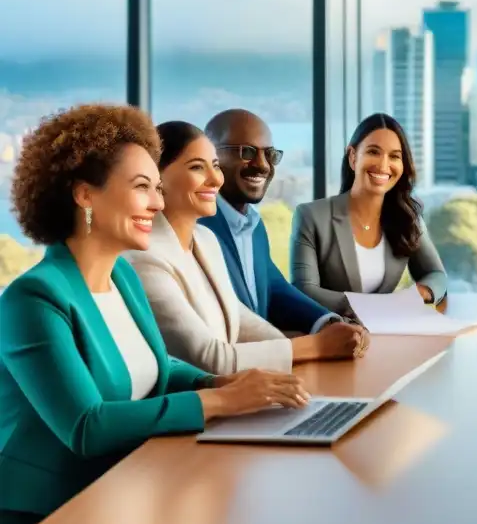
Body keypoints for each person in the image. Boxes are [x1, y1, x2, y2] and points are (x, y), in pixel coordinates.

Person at [0, 105, 309, 524]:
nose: (159, 204)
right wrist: (220, 400)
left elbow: (159, 368)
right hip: (49, 519)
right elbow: (87, 426)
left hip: (124, 487)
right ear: (85, 194)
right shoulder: (32, 299)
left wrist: (224, 381)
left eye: (158, 189)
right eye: (142, 187)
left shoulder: (122, 277)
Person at [126, 122, 367, 376]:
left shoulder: (205, 239)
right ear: (156, 177)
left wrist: (296, 354)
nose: (215, 178)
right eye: (197, 167)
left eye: (215, 166)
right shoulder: (144, 257)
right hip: (196, 405)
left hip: (239, 391)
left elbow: (240, 319)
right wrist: (316, 346)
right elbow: (209, 359)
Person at [199, 109, 349, 334]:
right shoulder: (196, 227)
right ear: (211, 156)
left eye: (270, 154)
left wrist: (328, 323)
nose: (263, 165)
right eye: (247, 152)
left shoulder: (254, 226)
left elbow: (274, 287)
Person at [291, 113, 447, 315]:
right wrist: (374, 306)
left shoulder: (407, 218)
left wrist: (420, 293)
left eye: (394, 156)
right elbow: (304, 291)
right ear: (353, 157)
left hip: (388, 334)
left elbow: (436, 275)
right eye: (374, 152)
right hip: (334, 336)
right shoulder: (310, 216)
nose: (383, 165)